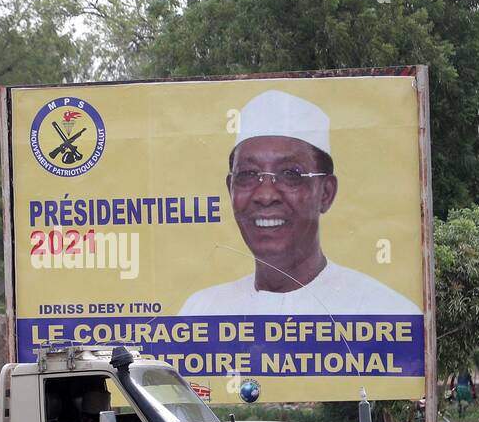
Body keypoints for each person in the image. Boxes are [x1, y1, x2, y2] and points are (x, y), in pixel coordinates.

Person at [179, 89, 421, 316]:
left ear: (326, 193)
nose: (265, 195)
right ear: (230, 189)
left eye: (290, 174)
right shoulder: (201, 311)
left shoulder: (385, 312)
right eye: (248, 174)